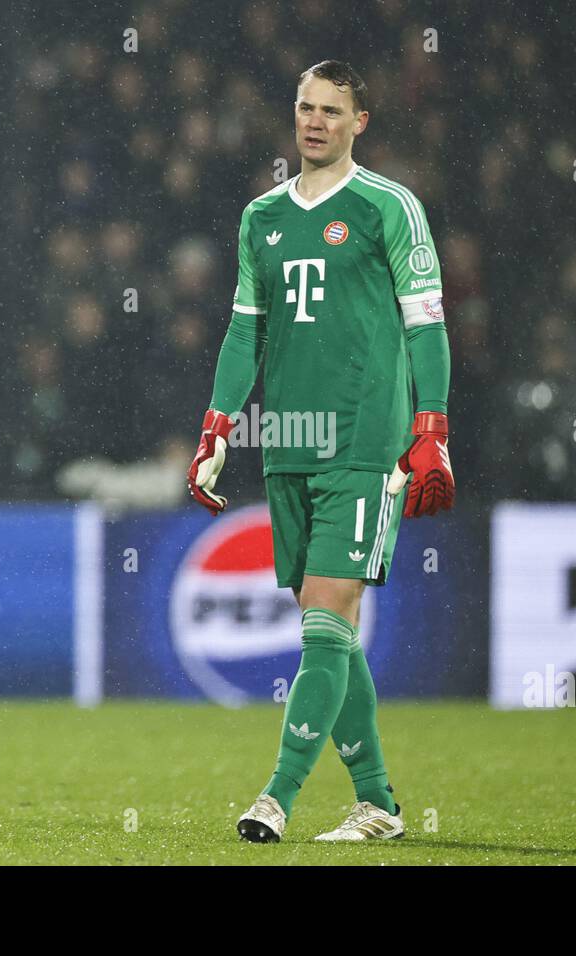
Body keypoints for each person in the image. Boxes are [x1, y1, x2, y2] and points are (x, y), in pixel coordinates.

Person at [186, 61, 455, 843]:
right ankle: (378, 803)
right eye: (305, 108)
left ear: (359, 122)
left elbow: (426, 323)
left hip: (366, 443)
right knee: (324, 623)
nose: (315, 122)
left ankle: (276, 795)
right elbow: (246, 329)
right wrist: (218, 428)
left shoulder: (388, 207)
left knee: (327, 614)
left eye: (332, 111)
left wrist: (430, 431)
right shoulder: (260, 216)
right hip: (288, 445)